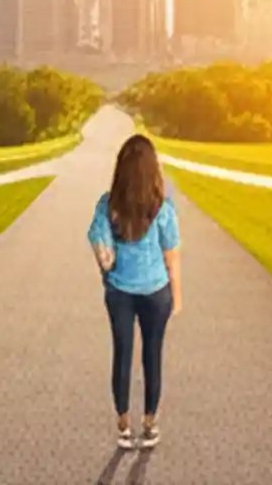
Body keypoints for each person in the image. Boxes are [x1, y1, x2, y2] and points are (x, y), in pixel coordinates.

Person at [87, 134, 183, 450]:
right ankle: (150, 424)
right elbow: (172, 255)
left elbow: (103, 253)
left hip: (120, 293)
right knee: (152, 355)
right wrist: (177, 295)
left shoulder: (107, 205)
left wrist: (108, 272)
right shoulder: (163, 208)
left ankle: (123, 426)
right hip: (157, 292)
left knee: (122, 353)